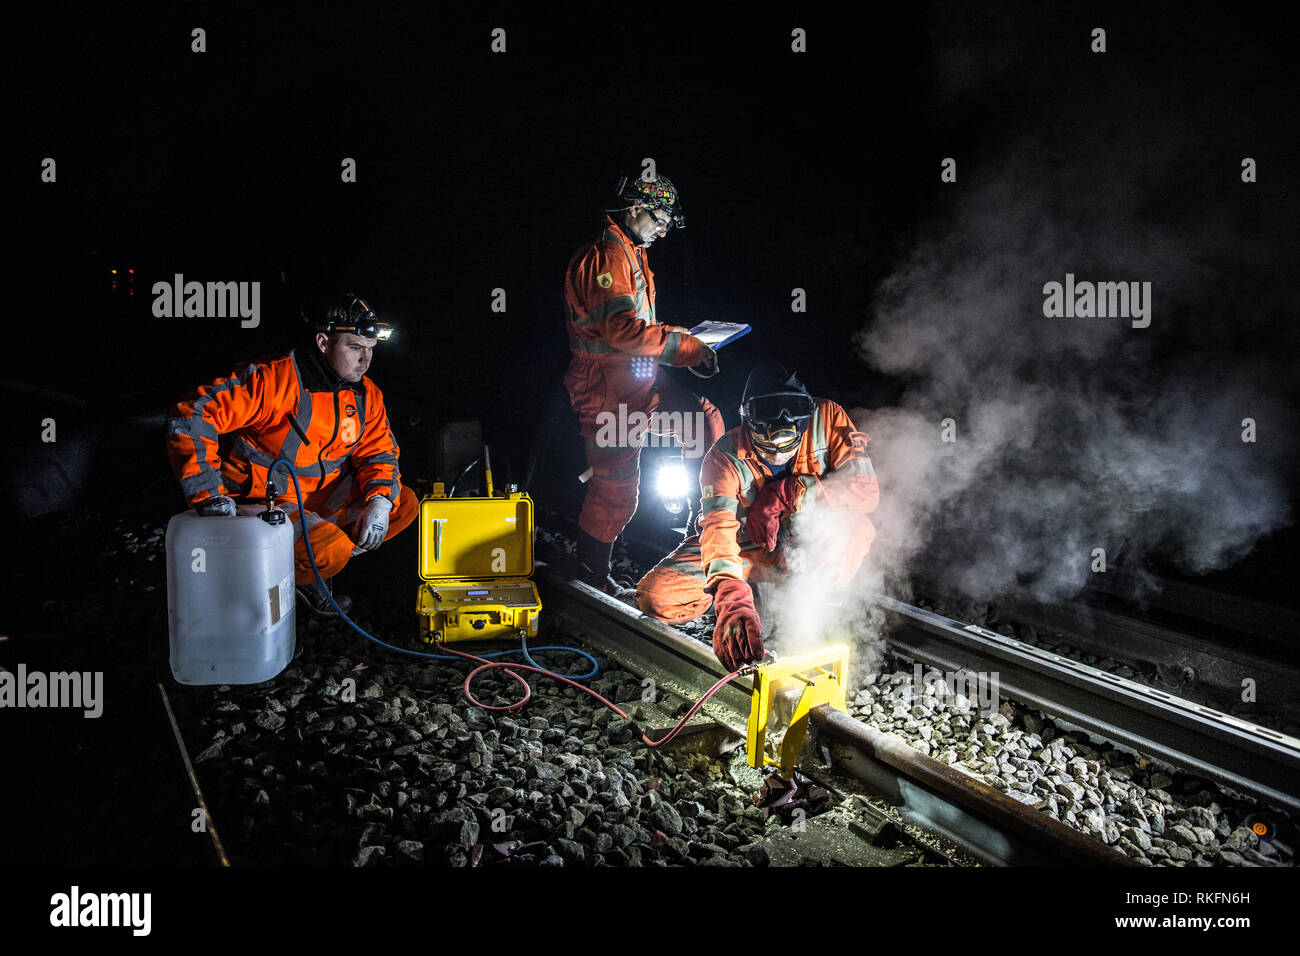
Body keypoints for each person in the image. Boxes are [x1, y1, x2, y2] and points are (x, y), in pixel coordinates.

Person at [165, 295, 418, 615]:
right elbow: (192, 414)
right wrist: (207, 497)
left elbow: (379, 452)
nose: (365, 359)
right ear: (324, 342)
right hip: (259, 500)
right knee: (332, 550)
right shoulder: (272, 379)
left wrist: (379, 500)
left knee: (402, 503)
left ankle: (309, 564)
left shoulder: (367, 394)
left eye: (371, 349)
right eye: (355, 347)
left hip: (315, 497)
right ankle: (276, 576)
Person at [636, 363, 880, 671]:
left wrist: (792, 490)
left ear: (804, 419)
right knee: (655, 597)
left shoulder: (828, 418)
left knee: (856, 527)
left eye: (788, 437)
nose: (778, 447)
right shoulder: (722, 457)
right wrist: (729, 592)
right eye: (768, 438)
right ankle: (749, 592)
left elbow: (865, 493)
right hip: (746, 549)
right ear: (747, 419)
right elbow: (718, 527)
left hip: (806, 545)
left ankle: (817, 610)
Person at [563, 171, 725, 594]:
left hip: (639, 385)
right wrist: (687, 349)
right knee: (615, 490)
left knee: (702, 419)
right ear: (634, 208)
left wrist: (687, 343)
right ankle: (592, 577)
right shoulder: (605, 257)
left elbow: (639, 327)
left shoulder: (629, 251)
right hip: (606, 395)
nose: (663, 230)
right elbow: (620, 331)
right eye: (658, 219)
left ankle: (705, 524)